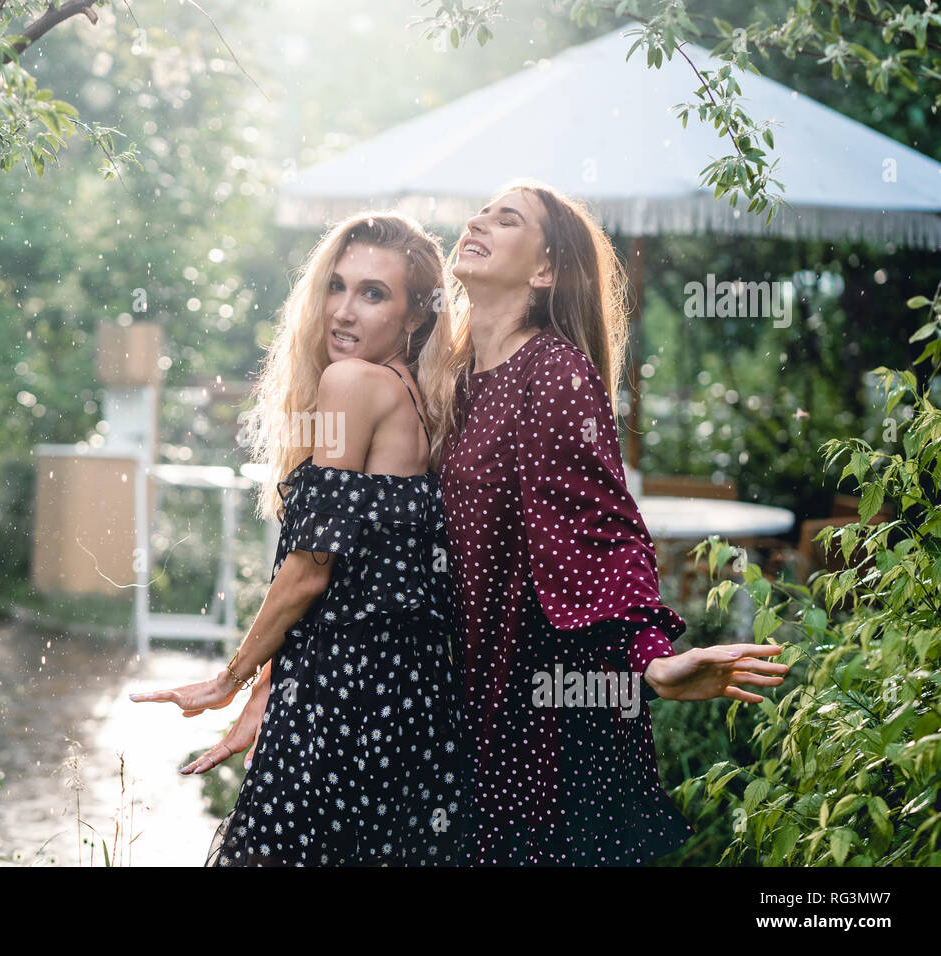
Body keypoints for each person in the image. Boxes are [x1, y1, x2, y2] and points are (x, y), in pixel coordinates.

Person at [436, 178, 789, 865]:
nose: (478, 220)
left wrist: (651, 660)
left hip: (545, 714)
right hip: (475, 697)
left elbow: (605, 532)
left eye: (506, 218)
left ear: (543, 270)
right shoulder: (458, 376)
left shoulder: (554, 371)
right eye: (481, 209)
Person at [131, 212, 466, 865]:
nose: (343, 310)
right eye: (336, 286)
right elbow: (358, 586)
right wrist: (266, 690)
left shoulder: (350, 385)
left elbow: (310, 569)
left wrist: (230, 678)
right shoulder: (423, 403)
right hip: (415, 708)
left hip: (341, 707)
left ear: (415, 317)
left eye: (373, 294)